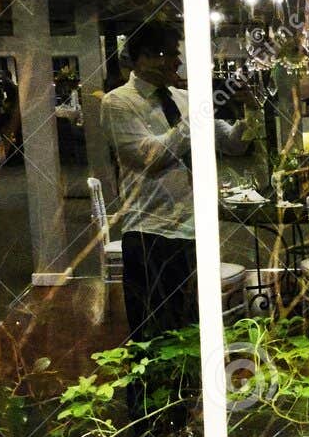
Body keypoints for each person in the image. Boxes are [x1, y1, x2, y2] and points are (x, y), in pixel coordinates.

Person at [102, 29, 248, 337]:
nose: (177, 60)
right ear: (141, 59)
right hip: (150, 232)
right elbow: (153, 156)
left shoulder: (185, 99)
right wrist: (194, 118)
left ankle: (194, 387)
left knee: (193, 329)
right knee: (153, 335)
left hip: (194, 230)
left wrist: (252, 109)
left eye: (176, 53)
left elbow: (233, 144)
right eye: (168, 53)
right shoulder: (118, 104)